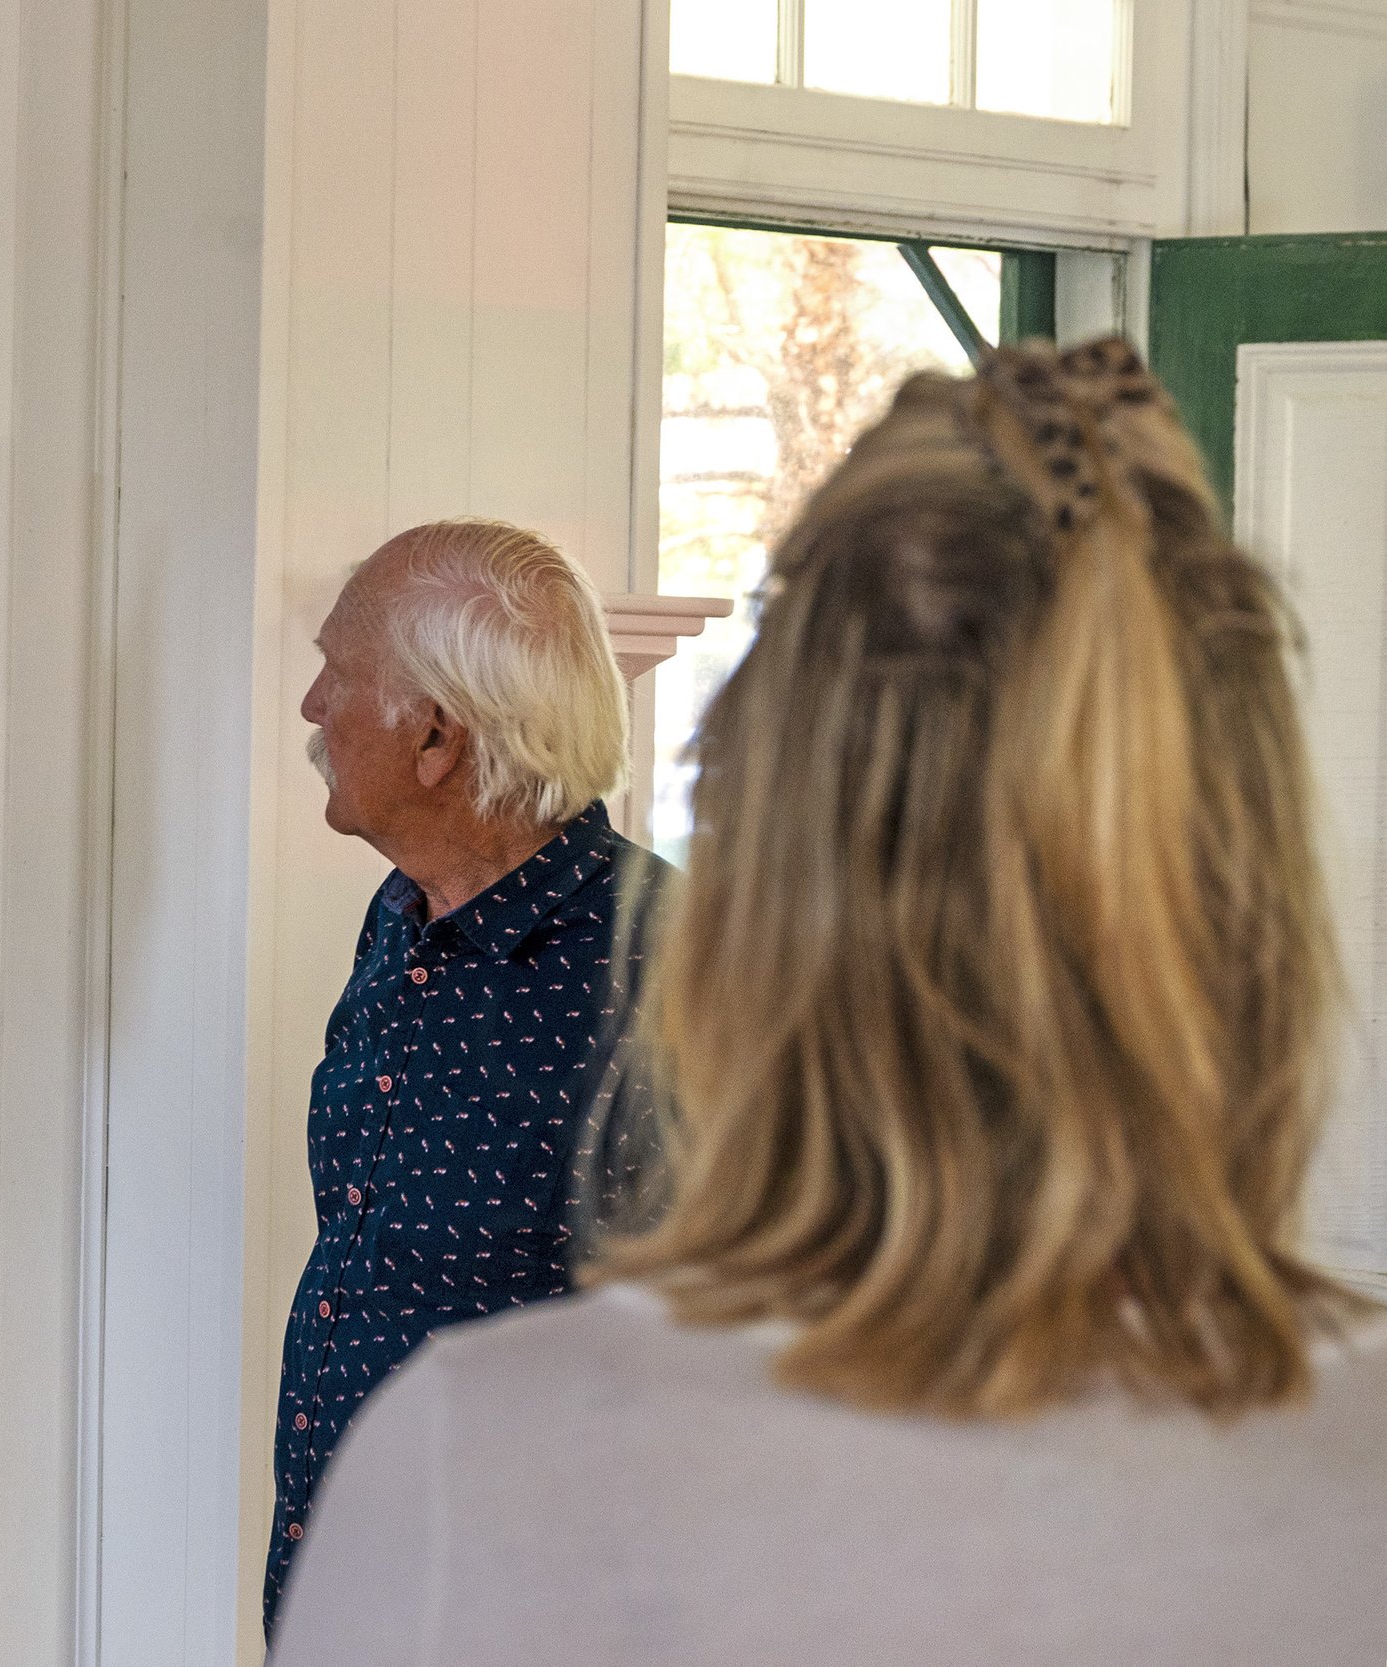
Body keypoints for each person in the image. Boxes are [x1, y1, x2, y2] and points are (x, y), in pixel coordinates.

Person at [268, 341, 1387, 1667]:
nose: (312, 703)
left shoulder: (486, 1460)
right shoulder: (1350, 1463)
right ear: (1260, 880)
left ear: (760, 899)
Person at [262, 517, 658, 1633]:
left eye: (337, 673)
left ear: (434, 734)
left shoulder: (678, 975)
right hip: (355, 1587)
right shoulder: (402, 918)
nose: (311, 707)